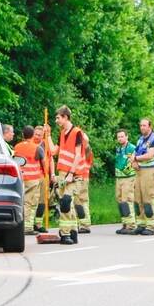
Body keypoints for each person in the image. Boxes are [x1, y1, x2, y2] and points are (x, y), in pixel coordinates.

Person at [52, 105, 89, 245]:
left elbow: (78, 155)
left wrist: (71, 173)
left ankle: (65, 233)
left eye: (58, 118)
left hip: (74, 175)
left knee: (66, 202)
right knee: (66, 203)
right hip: (63, 174)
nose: (57, 121)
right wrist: (47, 135)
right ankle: (73, 232)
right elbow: (54, 151)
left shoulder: (77, 132)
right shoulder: (61, 133)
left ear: (65, 117)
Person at [131, 118, 154, 235]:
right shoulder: (140, 140)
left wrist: (135, 159)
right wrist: (133, 161)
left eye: (144, 125)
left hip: (150, 171)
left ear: (150, 126)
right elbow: (135, 152)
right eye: (141, 126)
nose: (142, 128)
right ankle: (141, 224)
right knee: (138, 198)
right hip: (139, 172)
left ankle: (150, 226)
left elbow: (150, 155)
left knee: (148, 198)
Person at [12, 125, 46, 235]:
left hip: (20, 178)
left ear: (23, 135)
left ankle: (20, 224)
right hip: (33, 179)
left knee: (21, 201)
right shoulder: (37, 148)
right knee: (30, 203)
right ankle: (27, 227)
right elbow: (43, 162)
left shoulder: (17, 147)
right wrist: (45, 174)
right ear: (32, 135)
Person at [112, 129, 138, 234]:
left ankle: (131, 225)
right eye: (118, 137)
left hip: (129, 177)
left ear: (127, 137)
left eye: (122, 136)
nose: (120, 138)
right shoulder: (118, 148)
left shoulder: (132, 148)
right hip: (119, 177)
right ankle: (125, 223)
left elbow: (134, 160)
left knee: (127, 199)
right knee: (120, 200)